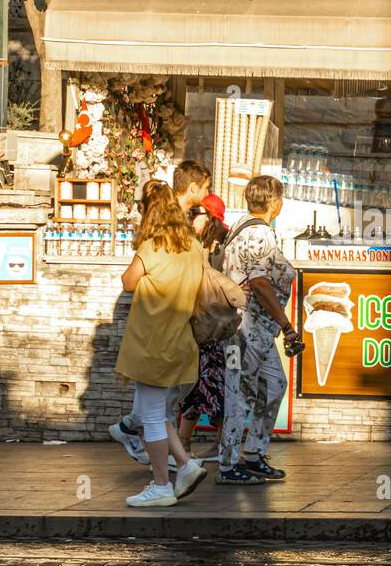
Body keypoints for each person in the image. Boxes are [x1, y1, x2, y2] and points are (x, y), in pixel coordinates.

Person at [109, 185, 210, 507]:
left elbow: (128, 281)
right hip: (181, 343)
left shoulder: (152, 247)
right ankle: (186, 464)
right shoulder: (194, 247)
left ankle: (162, 485)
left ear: (148, 212)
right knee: (154, 410)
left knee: (152, 417)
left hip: (152, 344)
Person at [217, 175, 299, 485]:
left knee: (275, 384)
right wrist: (287, 325)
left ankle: (252, 453)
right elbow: (260, 283)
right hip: (245, 329)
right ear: (275, 203)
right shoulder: (261, 233)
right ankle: (227, 465)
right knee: (238, 394)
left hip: (256, 332)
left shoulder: (240, 226)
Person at [175, 195, 231, 460]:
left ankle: (220, 445)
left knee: (211, 385)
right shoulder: (198, 244)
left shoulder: (219, 247)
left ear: (208, 216)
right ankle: (184, 443)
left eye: (195, 213)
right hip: (199, 327)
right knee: (195, 385)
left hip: (212, 329)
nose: (191, 218)